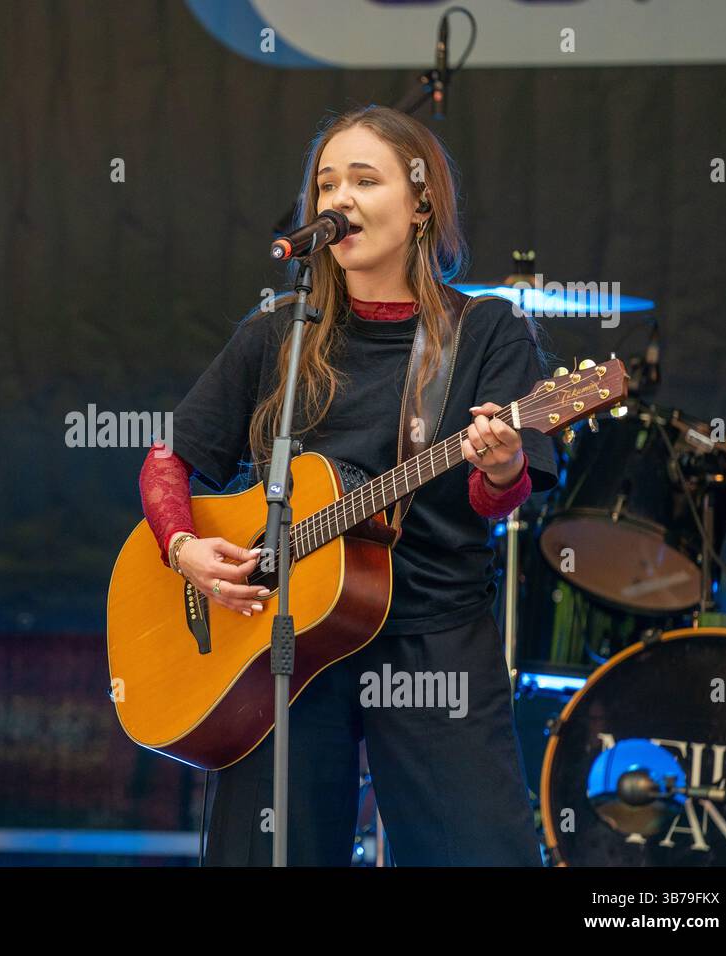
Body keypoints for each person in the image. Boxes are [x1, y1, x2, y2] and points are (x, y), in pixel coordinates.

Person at [139, 105, 557, 866]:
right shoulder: (278, 333)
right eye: (326, 183)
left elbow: (505, 492)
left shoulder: (488, 331)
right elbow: (169, 459)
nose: (340, 199)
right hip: (281, 640)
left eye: (365, 179)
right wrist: (185, 549)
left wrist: (500, 466)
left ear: (423, 202)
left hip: (429, 633)